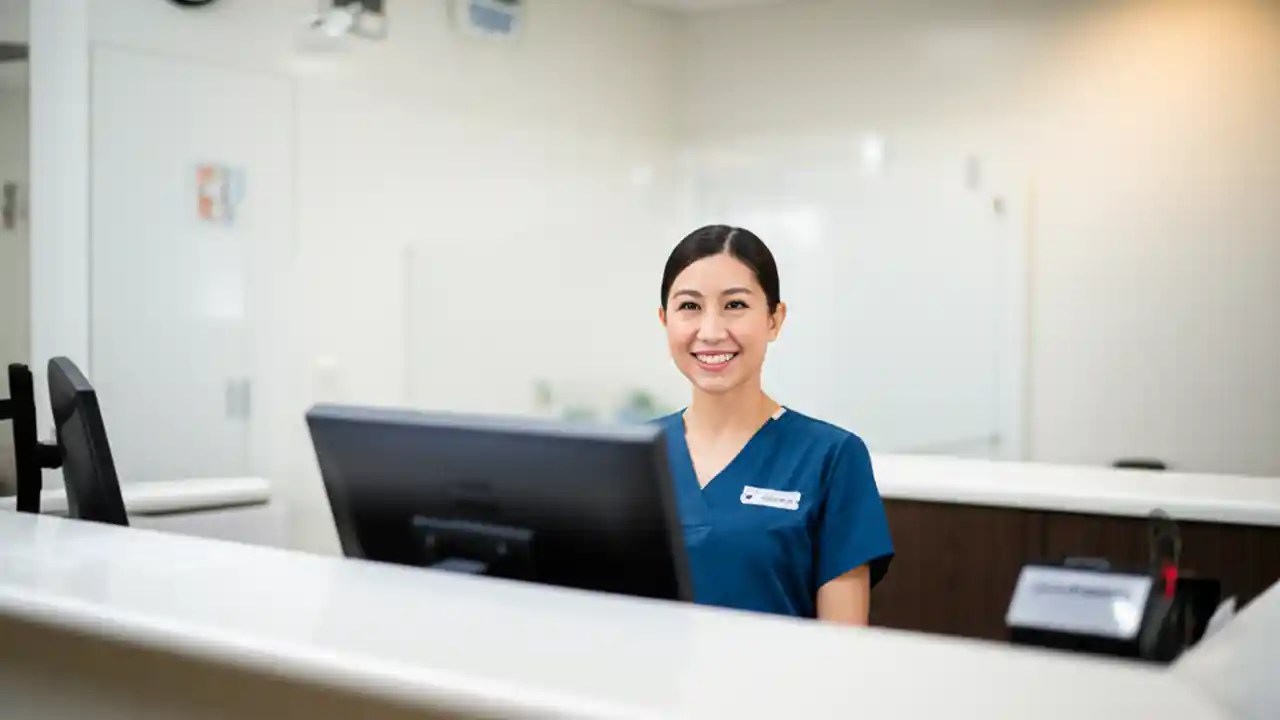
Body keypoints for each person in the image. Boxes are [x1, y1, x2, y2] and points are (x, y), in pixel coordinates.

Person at [656, 224, 894, 624]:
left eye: (735, 305)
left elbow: (843, 648)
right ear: (665, 320)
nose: (711, 331)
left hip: (780, 686)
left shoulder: (831, 458)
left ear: (774, 319)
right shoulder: (636, 453)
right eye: (689, 307)